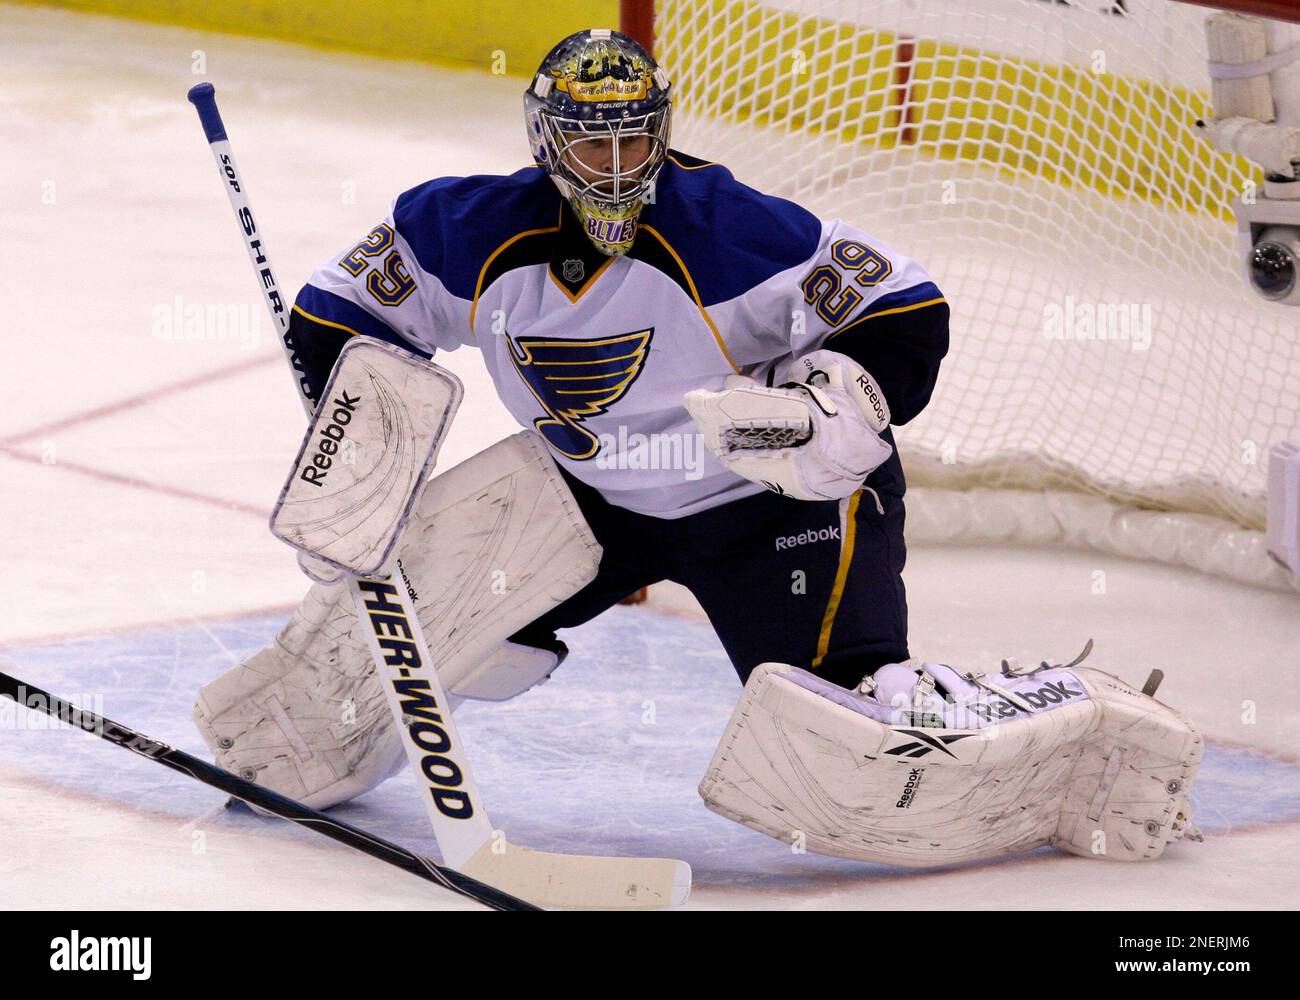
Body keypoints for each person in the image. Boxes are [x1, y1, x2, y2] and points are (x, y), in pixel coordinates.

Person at [285, 27, 950, 692]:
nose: (613, 165)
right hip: (592, 497)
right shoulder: (467, 232)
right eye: (590, 140)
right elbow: (337, 312)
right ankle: (297, 741)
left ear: (659, 134)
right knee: (399, 632)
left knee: (842, 711)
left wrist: (836, 400)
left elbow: (905, 305)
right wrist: (362, 457)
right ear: (547, 139)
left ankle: (912, 724)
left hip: (766, 507)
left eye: (630, 138)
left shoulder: (728, 230)